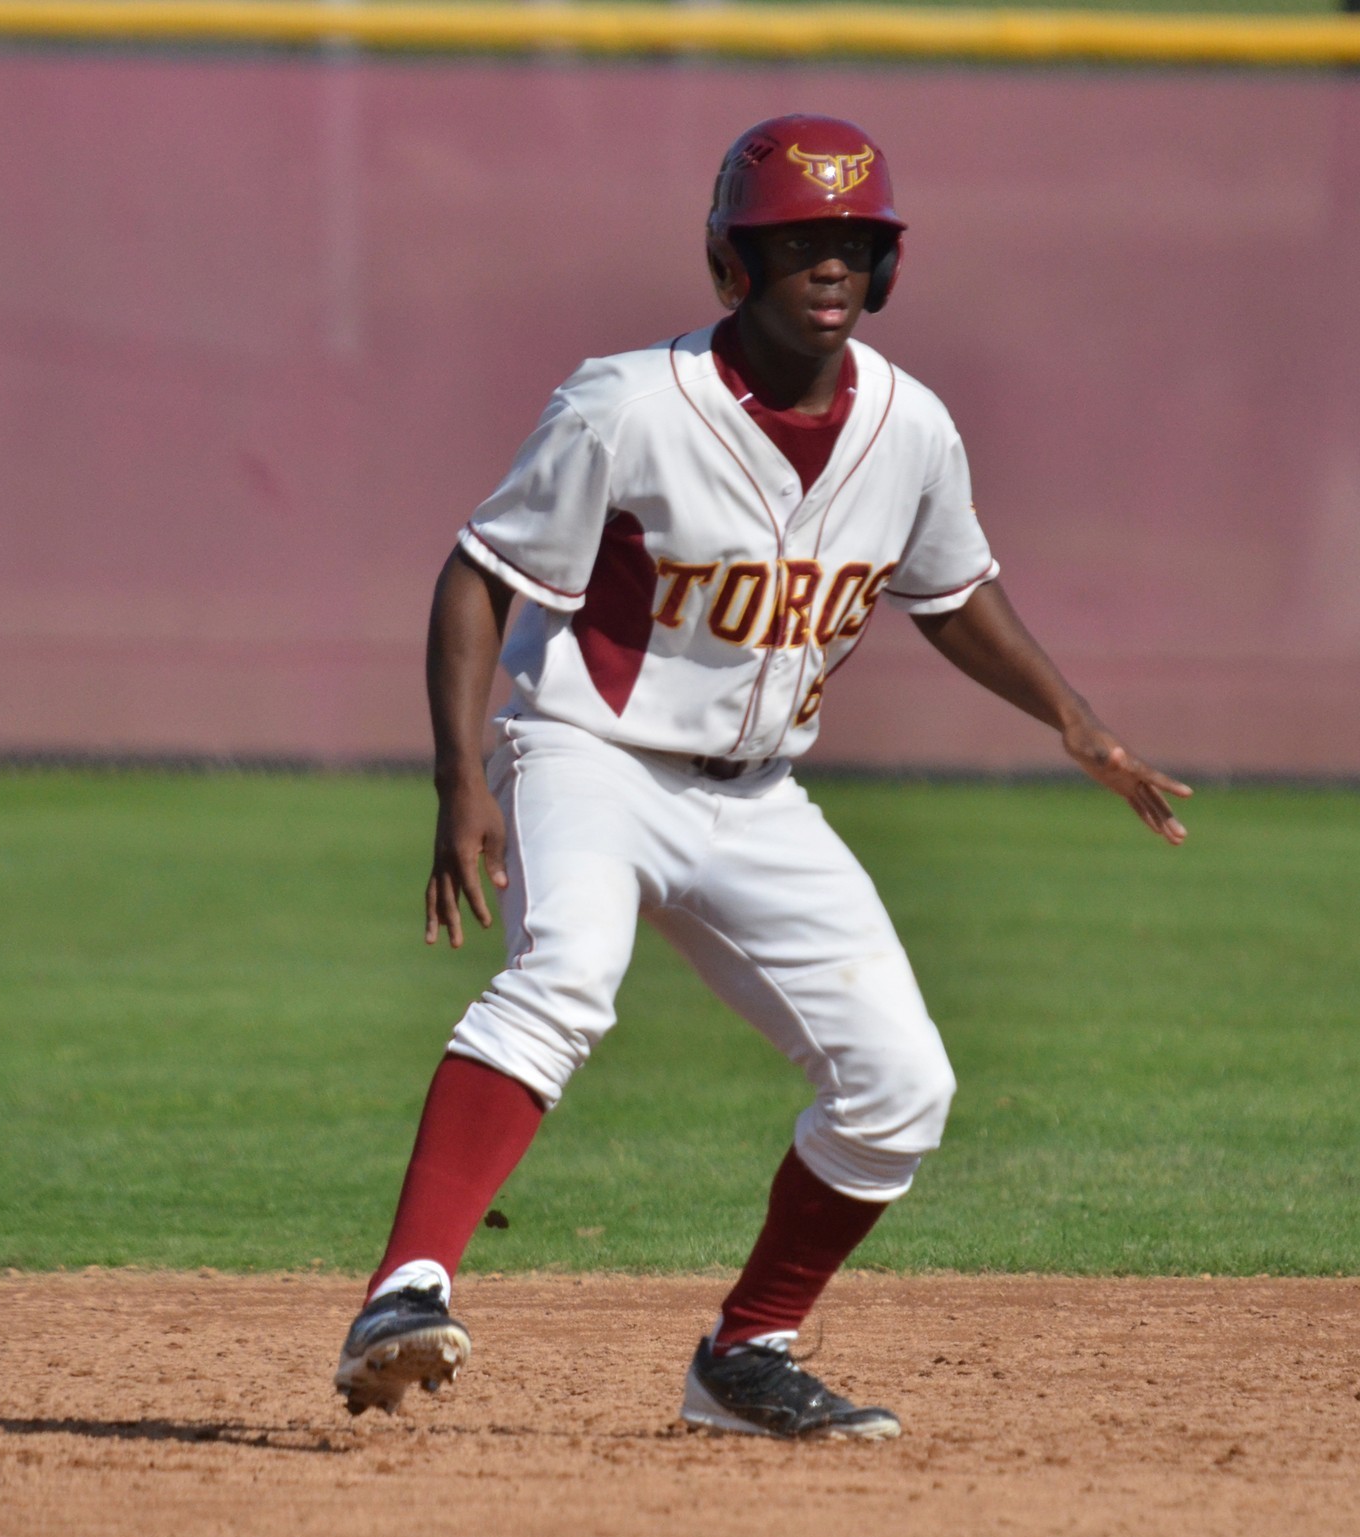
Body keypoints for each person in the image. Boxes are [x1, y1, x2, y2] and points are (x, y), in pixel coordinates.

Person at [333, 113, 1190, 1440]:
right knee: (564, 973)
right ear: (735, 262)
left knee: (903, 1085)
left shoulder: (909, 428)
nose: (829, 266)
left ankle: (746, 1352)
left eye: (853, 242)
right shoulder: (625, 402)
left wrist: (1076, 722)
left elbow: (952, 594)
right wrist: (463, 778)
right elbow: (480, 574)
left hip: (758, 794)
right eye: (797, 243)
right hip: (590, 751)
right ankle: (405, 1286)